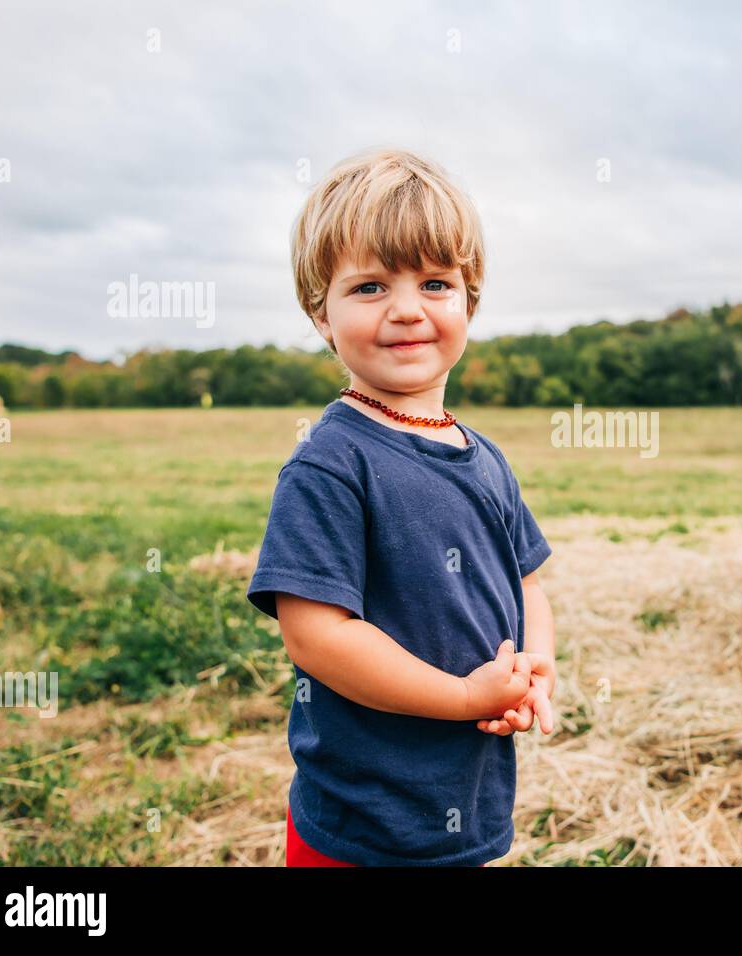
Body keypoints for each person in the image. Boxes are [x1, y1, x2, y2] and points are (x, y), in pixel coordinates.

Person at [247, 147, 556, 867]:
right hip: (364, 823)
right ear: (321, 315)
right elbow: (317, 636)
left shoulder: (484, 458)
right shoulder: (331, 463)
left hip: (468, 803)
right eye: (370, 287)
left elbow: (527, 585)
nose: (407, 309)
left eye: (436, 282)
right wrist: (462, 696)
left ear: (468, 304)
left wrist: (532, 671)